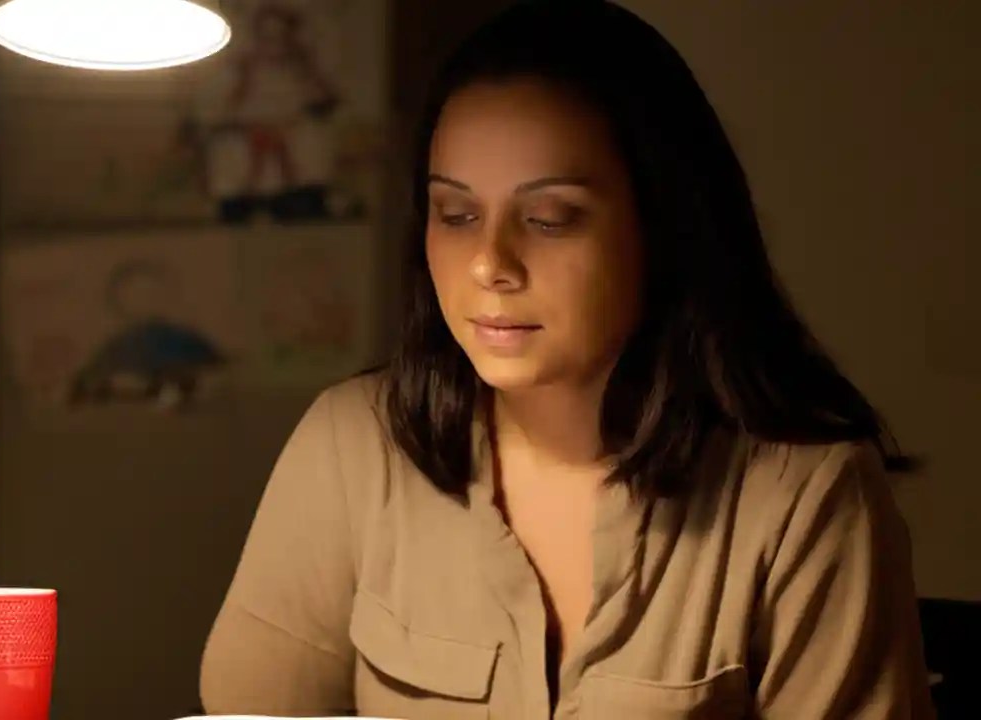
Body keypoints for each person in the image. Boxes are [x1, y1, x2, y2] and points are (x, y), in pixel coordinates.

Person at [200, 1, 935, 717]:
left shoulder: (804, 497)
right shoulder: (354, 443)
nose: (490, 263)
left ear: (664, 227)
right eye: (456, 215)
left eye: (548, 220)